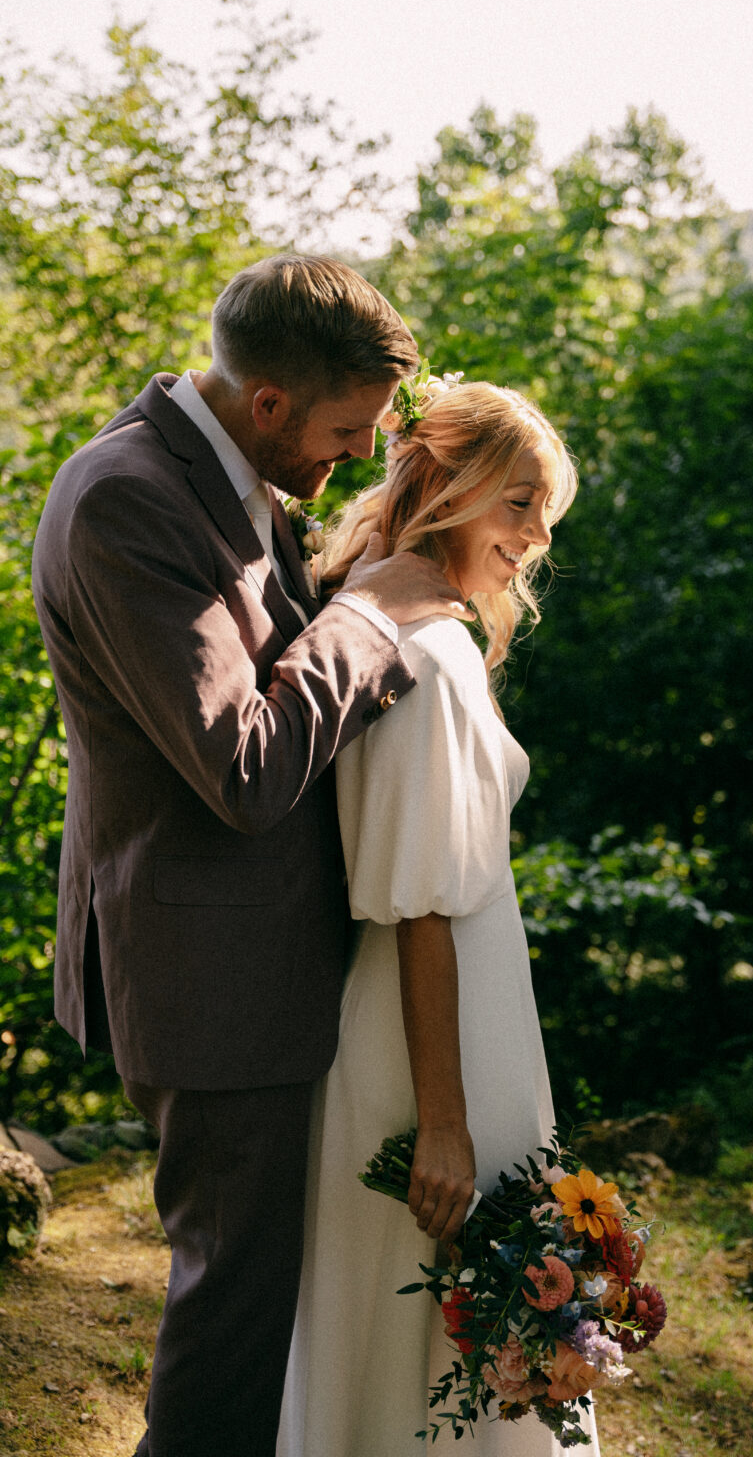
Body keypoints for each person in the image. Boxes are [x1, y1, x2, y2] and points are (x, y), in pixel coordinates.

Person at [30, 255, 474, 1457]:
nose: (350, 456)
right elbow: (244, 767)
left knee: (251, 1298)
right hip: (205, 971)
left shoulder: (230, 470)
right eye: (344, 431)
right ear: (268, 400)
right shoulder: (125, 500)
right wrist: (374, 615)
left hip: (253, 958)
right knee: (229, 1313)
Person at [275, 377, 600, 1455]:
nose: (534, 537)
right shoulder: (420, 649)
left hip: (462, 1007)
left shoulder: (414, 622)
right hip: (430, 1032)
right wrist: (447, 1121)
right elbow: (418, 904)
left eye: (542, 513)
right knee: (427, 1311)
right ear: (447, 487)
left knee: (448, 1321)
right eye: (516, 502)